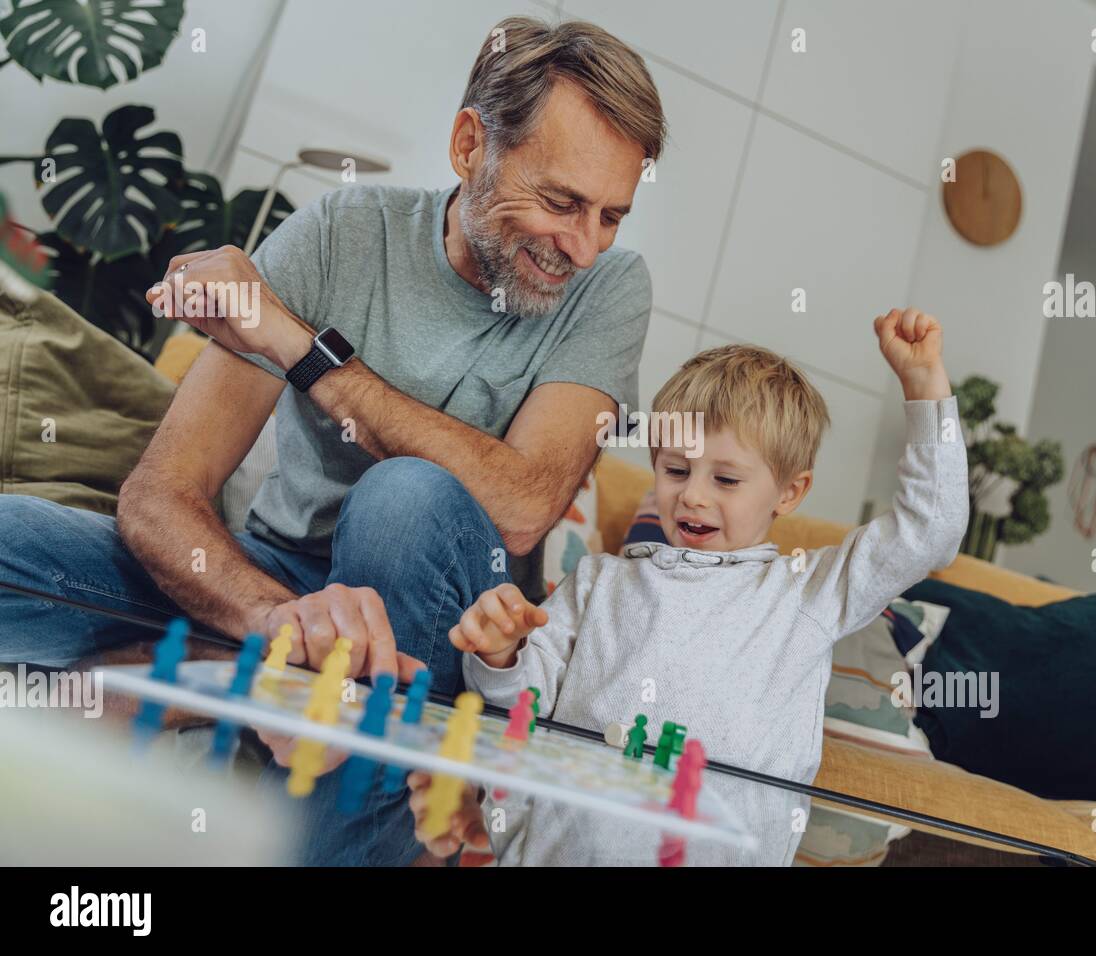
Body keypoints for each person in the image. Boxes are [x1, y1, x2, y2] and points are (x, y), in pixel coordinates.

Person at [0, 16, 666, 866]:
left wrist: (296, 346)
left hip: (452, 635)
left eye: (611, 215)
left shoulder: (610, 288)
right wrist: (275, 623)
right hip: (279, 589)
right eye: (562, 202)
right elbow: (162, 492)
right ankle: (250, 667)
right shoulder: (341, 234)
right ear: (471, 145)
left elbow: (524, 505)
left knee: (406, 497)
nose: (583, 244)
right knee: (15, 539)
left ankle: (264, 704)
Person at [410, 308, 970, 865]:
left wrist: (925, 388)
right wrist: (503, 655)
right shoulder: (599, 583)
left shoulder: (809, 594)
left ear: (789, 493)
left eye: (725, 479)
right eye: (676, 470)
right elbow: (519, 709)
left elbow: (931, 529)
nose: (694, 496)